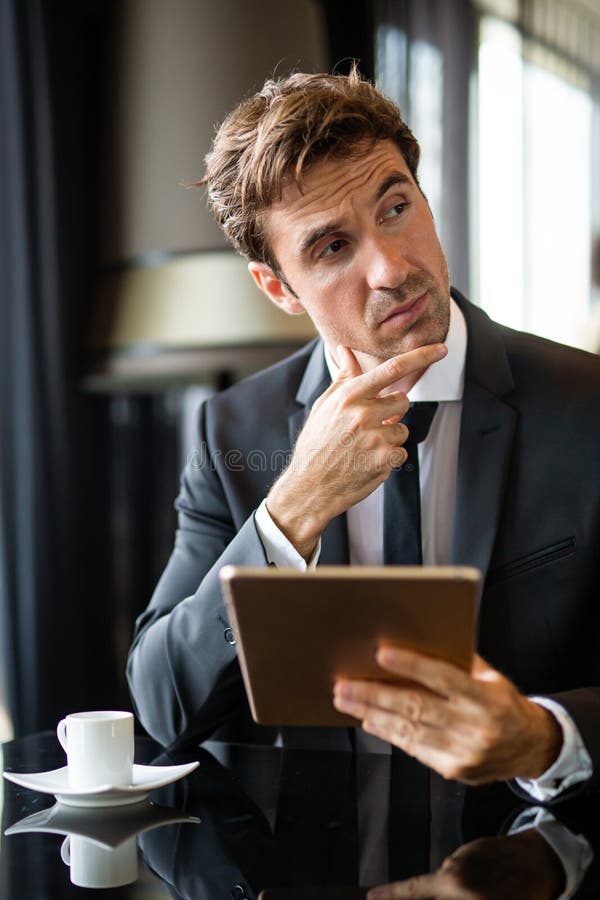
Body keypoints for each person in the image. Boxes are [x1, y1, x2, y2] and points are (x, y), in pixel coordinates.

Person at [127, 69, 600, 800]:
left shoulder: (586, 406)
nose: (391, 267)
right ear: (278, 287)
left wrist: (546, 739)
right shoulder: (234, 430)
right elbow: (163, 706)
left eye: (396, 208)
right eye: (331, 248)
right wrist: (293, 510)